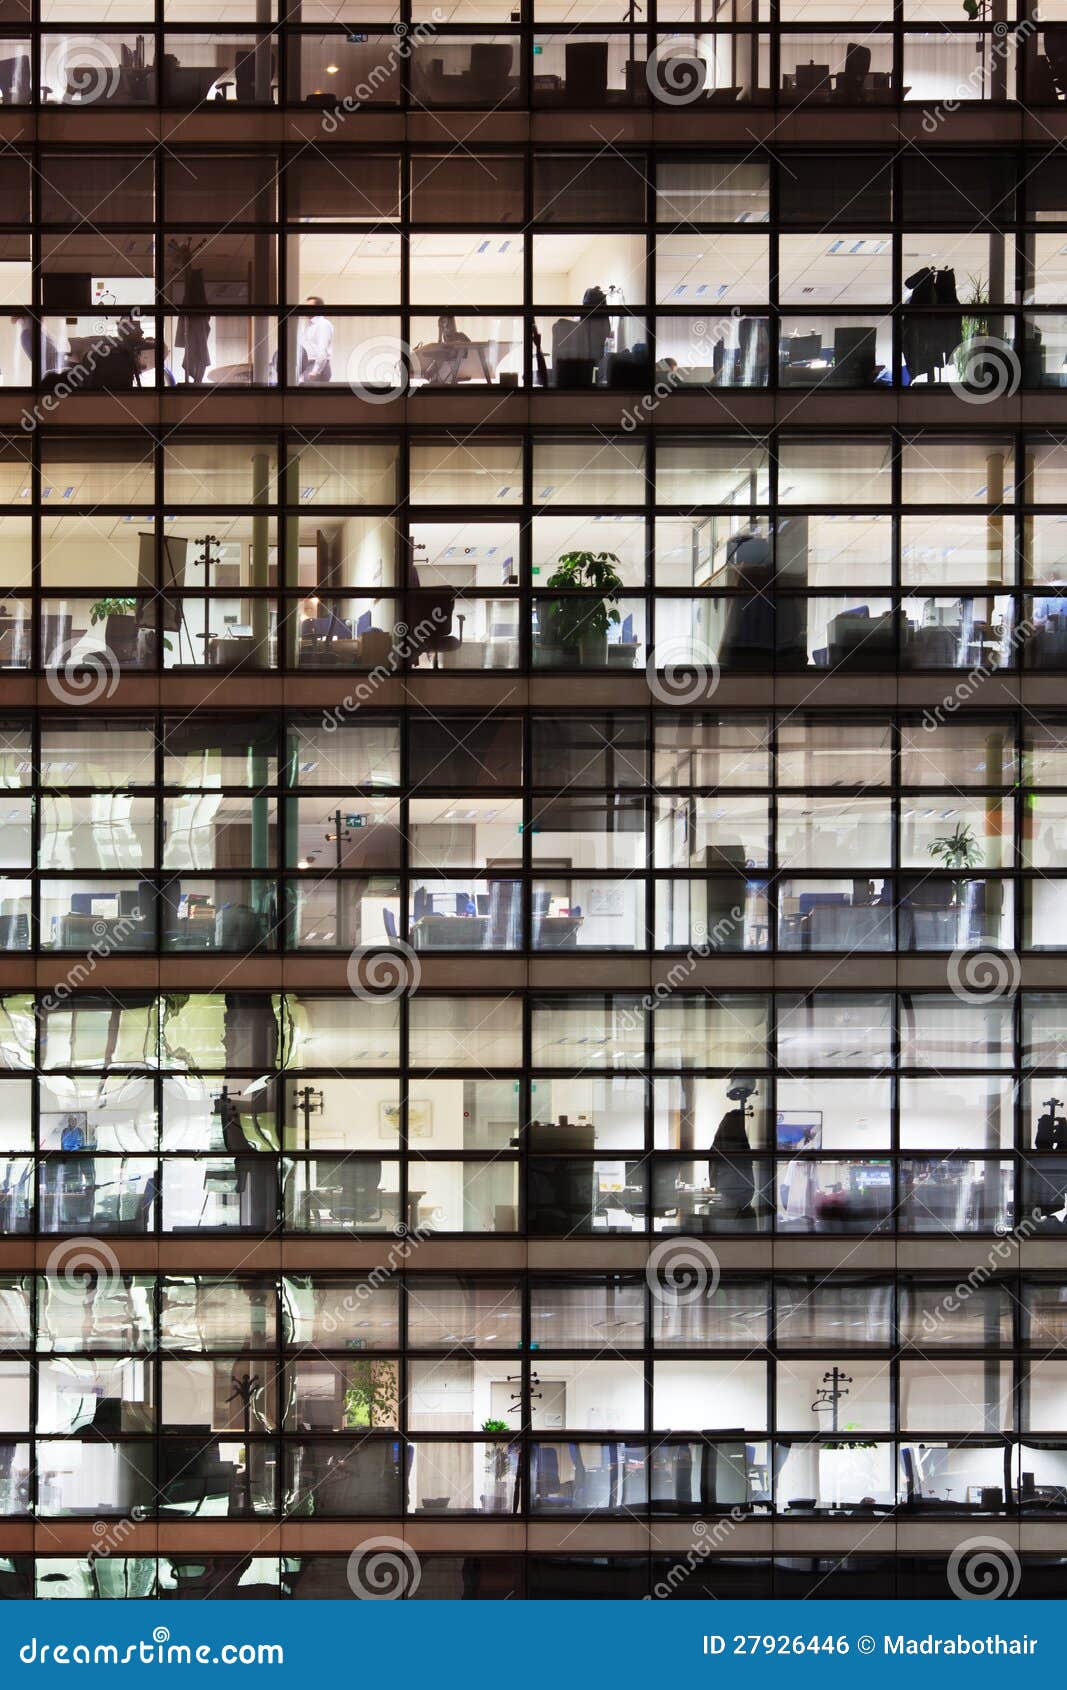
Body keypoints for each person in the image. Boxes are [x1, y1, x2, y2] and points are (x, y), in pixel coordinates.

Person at [299, 296, 334, 383]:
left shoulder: (323, 324)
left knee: (311, 396)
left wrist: (315, 371)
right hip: (309, 366)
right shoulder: (309, 325)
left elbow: (322, 349)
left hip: (316, 366)